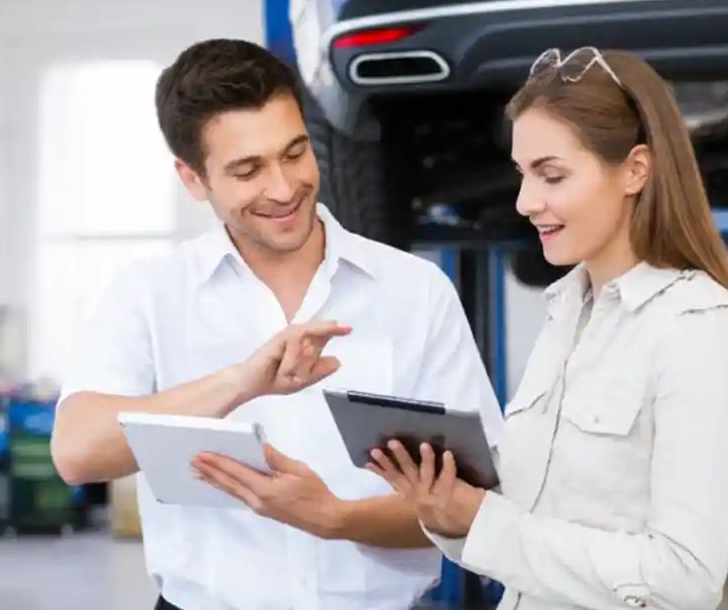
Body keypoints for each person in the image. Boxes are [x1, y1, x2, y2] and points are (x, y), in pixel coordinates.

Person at [49, 38, 505, 610]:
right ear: (193, 179)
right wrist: (241, 383)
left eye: (294, 153)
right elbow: (77, 452)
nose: (285, 188)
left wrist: (336, 518)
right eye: (247, 170)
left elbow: (480, 506)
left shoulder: (414, 291)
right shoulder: (149, 292)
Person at [369, 47, 728, 610]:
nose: (525, 202)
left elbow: (683, 579)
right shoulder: (566, 314)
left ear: (635, 170)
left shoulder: (701, 333)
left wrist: (486, 523)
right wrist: (450, 510)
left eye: (551, 175)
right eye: (522, 174)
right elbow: (535, 522)